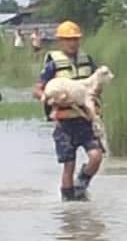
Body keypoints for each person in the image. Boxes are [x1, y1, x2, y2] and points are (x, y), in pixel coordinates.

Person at [33, 20, 103, 202]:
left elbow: (97, 83)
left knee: (96, 156)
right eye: (68, 39)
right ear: (60, 41)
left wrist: (96, 95)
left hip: (85, 120)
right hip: (64, 122)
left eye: (75, 39)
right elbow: (37, 90)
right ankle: (68, 204)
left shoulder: (87, 60)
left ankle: (81, 184)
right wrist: (51, 99)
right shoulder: (53, 64)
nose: (72, 43)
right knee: (68, 165)